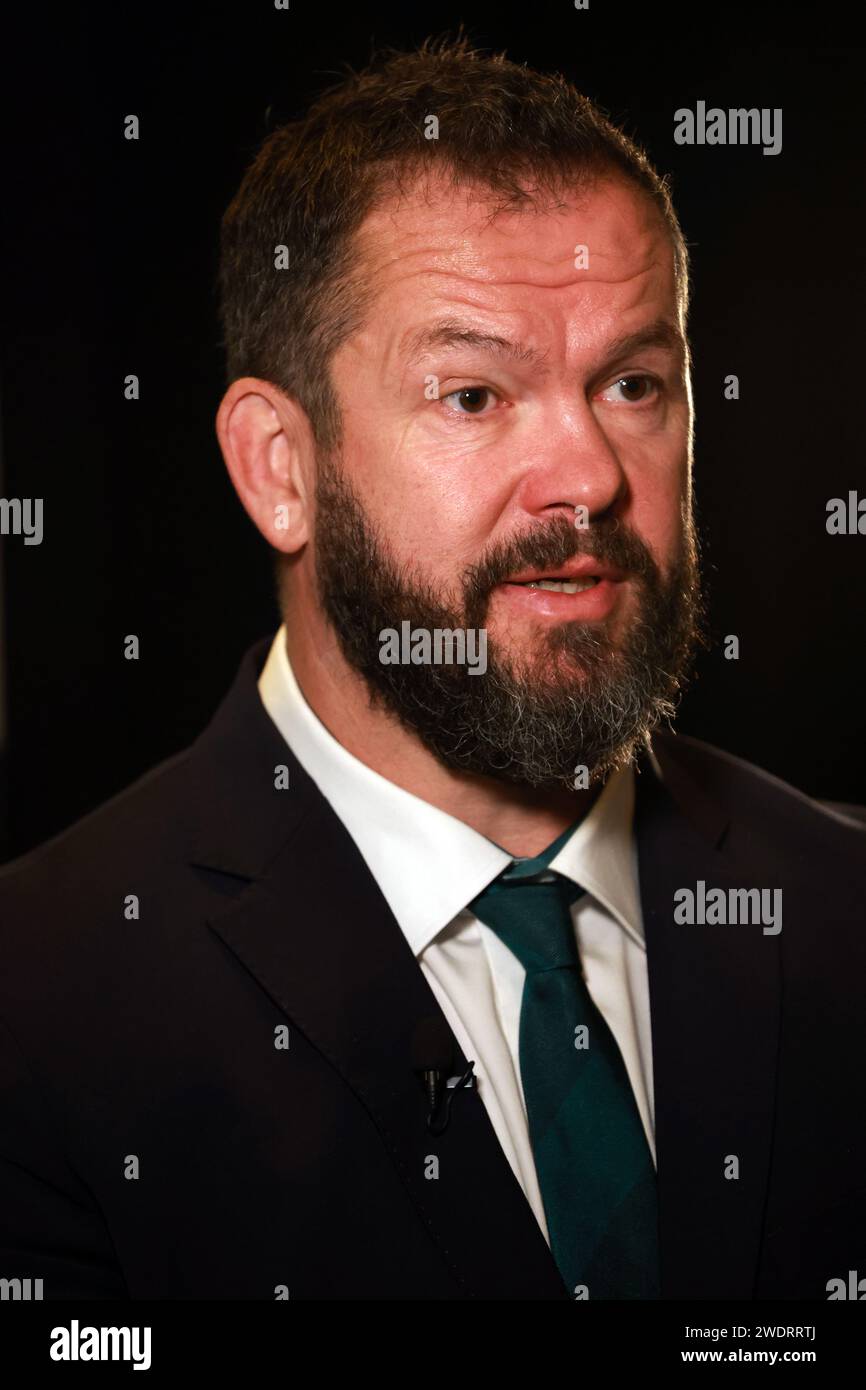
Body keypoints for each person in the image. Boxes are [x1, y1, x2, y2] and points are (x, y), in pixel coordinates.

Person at [1, 34, 864, 1302]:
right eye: (473, 396)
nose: (586, 477)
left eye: (631, 382)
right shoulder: (39, 1006)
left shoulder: (845, 908)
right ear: (279, 468)